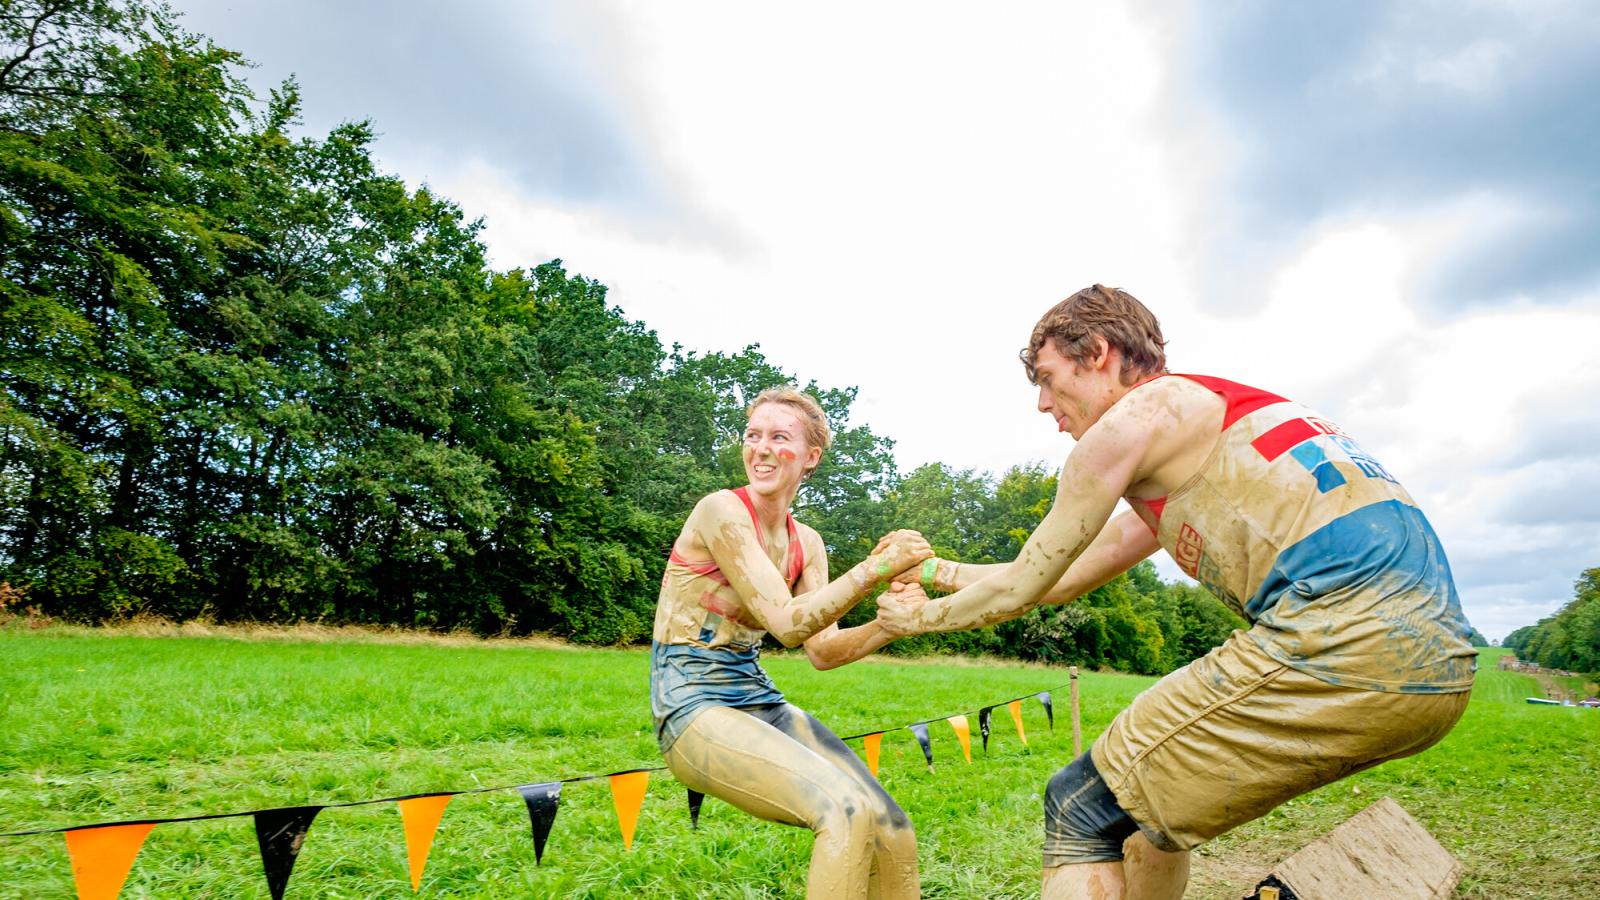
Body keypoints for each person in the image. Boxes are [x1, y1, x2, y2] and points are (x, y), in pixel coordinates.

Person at [876, 285, 1477, 900]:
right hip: (1435, 667)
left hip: (1337, 642)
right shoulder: (1197, 422)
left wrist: (915, 621)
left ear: (1100, 353)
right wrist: (936, 571)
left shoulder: (1127, 425)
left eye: (1050, 378)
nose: (1042, 404)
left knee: (1080, 804)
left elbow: (1022, 589)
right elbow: (1068, 572)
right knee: (1146, 824)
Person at [651, 386, 929, 899]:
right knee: (843, 812)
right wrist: (874, 570)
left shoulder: (809, 543)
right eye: (753, 435)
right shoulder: (721, 512)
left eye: (779, 437)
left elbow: (822, 650)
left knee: (893, 829)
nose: (761, 448)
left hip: (758, 698)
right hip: (692, 704)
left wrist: (890, 624)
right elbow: (785, 621)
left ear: (810, 458)